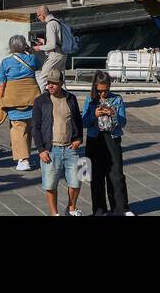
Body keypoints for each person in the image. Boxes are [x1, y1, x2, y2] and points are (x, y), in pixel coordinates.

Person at [32, 68, 84, 216]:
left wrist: (79, 139)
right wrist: (41, 150)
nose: (50, 86)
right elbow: (35, 127)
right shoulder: (40, 101)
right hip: (50, 149)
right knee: (50, 185)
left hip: (70, 148)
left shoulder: (71, 98)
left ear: (61, 83)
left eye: (54, 83)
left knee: (77, 181)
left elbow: (78, 121)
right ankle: (54, 214)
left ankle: (71, 208)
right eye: (49, 83)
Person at [82, 70, 130, 215]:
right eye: (100, 91)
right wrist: (94, 115)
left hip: (112, 138)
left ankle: (121, 208)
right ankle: (99, 209)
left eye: (106, 90)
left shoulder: (117, 99)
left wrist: (114, 113)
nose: (103, 94)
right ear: (95, 88)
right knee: (96, 176)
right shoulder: (89, 100)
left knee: (116, 175)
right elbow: (84, 122)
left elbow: (123, 122)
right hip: (94, 139)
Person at [0, 34, 41, 172]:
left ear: (10, 47)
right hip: (33, 97)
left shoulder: (5, 62)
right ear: (24, 45)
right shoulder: (32, 59)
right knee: (30, 127)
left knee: (18, 128)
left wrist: (1, 100)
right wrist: (30, 50)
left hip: (14, 99)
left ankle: (23, 160)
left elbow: (1, 83)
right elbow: (40, 64)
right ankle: (32, 155)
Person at [32, 5, 68, 86]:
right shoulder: (57, 21)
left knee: (42, 78)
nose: (38, 18)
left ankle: (38, 98)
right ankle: (66, 98)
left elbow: (52, 45)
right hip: (63, 55)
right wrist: (44, 41)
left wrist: (39, 47)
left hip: (55, 56)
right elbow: (57, 41)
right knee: (60, 80)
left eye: (38, 16)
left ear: (42, 15)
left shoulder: (50, 24)